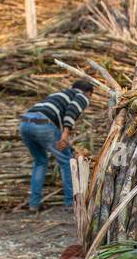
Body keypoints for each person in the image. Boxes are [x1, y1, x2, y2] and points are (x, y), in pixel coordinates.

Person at [20, 79, 93, 212]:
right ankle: (71, 203)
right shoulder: (82, 95)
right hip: (43, 123)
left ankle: (34, 204)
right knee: (66, 161)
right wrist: (65, 133)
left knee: (40, 162)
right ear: (88, 93)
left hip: (25, 122)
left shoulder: (58, 94)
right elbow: (72, 110)